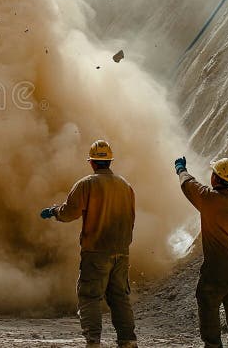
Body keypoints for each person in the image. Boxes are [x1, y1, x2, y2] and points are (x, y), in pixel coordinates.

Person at [40, 140, 137, 348]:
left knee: (90, 296)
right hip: (122, 252)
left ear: (92, 162)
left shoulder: (86, 184)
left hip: (96, 251)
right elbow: (131, 218)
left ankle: (93, 341)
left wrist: (54, 211)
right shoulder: (125, 186)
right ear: (109, 161)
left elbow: (69, 213)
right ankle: (128, 340)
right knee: (119, 297)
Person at [175, 156, 228, 348]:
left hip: (218, 268)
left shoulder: (209, 199)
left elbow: (188, 185)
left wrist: (181, 169)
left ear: (216, 178)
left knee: (208, 303)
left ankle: (213, 345)